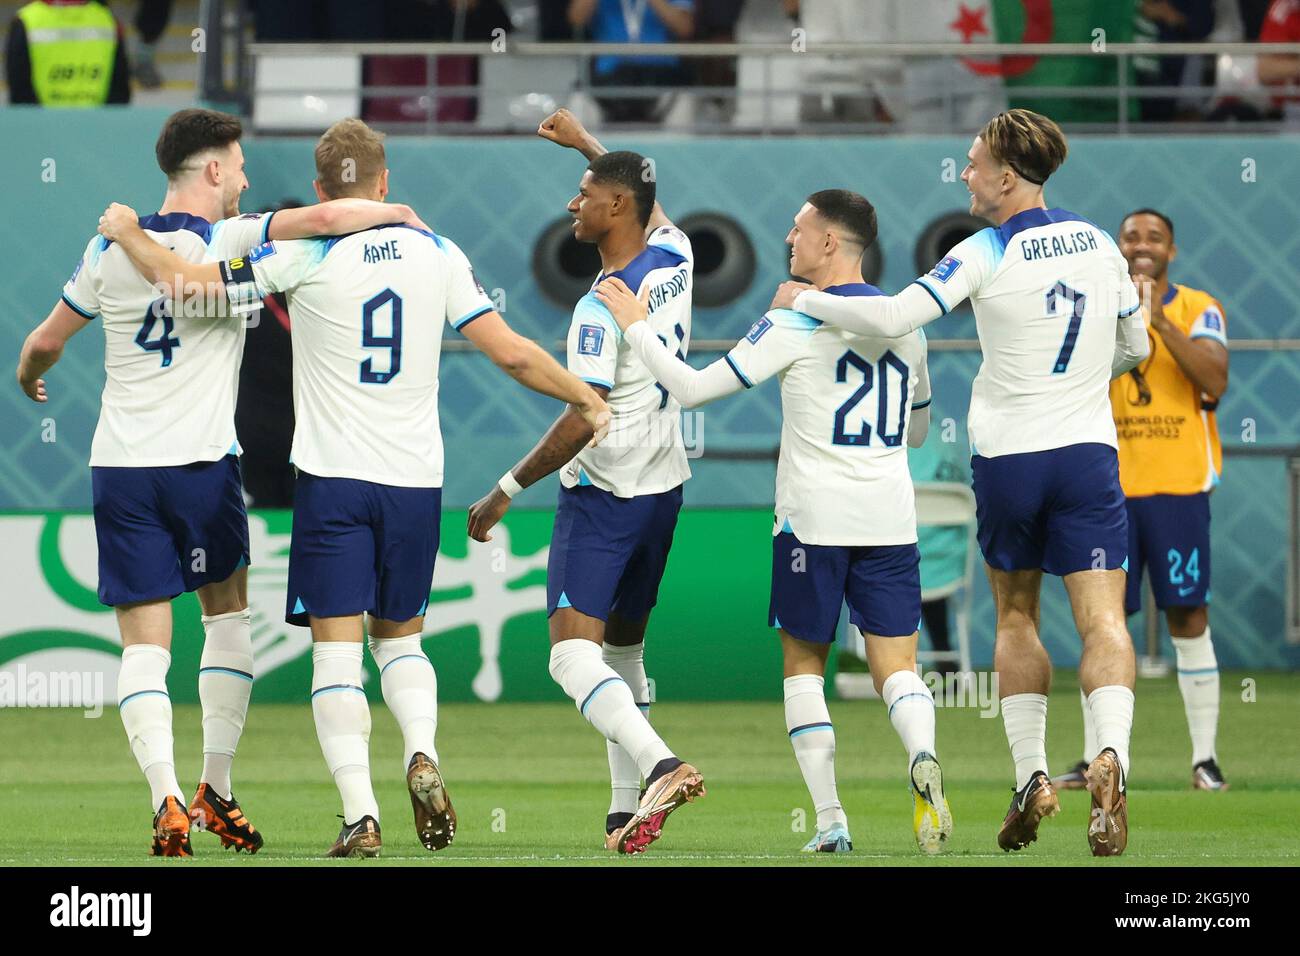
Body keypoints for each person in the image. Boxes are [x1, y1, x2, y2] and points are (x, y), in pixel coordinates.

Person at [97, 117, 609, 858]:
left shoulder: (299, 254)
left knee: (336, 660)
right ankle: (421, 751)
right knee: (401, 645)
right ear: (385, 181)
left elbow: (189, 287)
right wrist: (584, 397)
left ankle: (360, 814)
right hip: (414, 483)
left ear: (317, 189)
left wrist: (128, 233)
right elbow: (511, 353)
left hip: (333, 482)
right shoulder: (437, 252)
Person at [16, 108, 427, 856]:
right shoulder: (233, 239)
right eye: (236, 166)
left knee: (144, 647)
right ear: (211, 170)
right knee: (226, 618)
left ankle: (167, 798)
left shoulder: (106, 246)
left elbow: (44, 341)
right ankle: (217, 785)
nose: (242, 178)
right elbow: (332, 213)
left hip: (122, 469)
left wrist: (30, 376)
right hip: (203, 467)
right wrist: (394, 209)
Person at [771, 108, 1149, 857]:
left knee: (1016, 619)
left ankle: (1033, 776)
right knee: (1105, 624)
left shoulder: (984, 249)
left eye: (973, 162)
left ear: (1007, 176)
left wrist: (801, 299)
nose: (966, 173)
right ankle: (1112, 757)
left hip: (1011, 457)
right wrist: (1076, 381)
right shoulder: (1102, 244)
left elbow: (890, 317)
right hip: (1087, 453)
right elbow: (1134, 343)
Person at [596, 189, 953, 855]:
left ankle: (831, 821)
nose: (788, 241)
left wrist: (638, 325)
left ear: (828, 244)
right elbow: (919, 427)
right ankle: (923, 754)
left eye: (798, 231)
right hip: (889, 515)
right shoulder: (909, 325)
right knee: (898, 668)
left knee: (802, 669)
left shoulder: (791, 320)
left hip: (812, 519)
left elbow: (696, 388)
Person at [466, 108, 703, 855]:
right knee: (624, 654)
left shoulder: (598, 308)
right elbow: (646, 192)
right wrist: (591, 148)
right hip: (664, 483)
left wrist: (505, 485)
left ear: (616, 207)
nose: (573, 203)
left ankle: (661, 763)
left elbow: (585, 416)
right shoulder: (678, 257)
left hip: (604, 494)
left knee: (570, 655)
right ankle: (622, 808)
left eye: (584, 191)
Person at [1054, 208, 1230, 792]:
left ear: (1171, 250)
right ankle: (1093, 759)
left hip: (1178, 490)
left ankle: (1204, 759)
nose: (1142, 245)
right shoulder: (1092, 308)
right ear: (1116, 247)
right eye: (1130, 236)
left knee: (1187, 615)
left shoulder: (1198, 308)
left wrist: (1159, 322)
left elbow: (1215, 380)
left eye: (1155, 236)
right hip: (1106, 493)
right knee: (1103, 623)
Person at [567, 0, 695, 123]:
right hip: (609, 74)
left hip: (661, 73)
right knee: (579, 101)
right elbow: (576, 18)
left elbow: (684, 27)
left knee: (685, 99)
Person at [6, 0, 130, 105]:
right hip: (97, 128)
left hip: (42, 128)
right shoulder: (108, 20)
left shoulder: (25, 21)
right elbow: (120, 94)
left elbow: (19, 95)